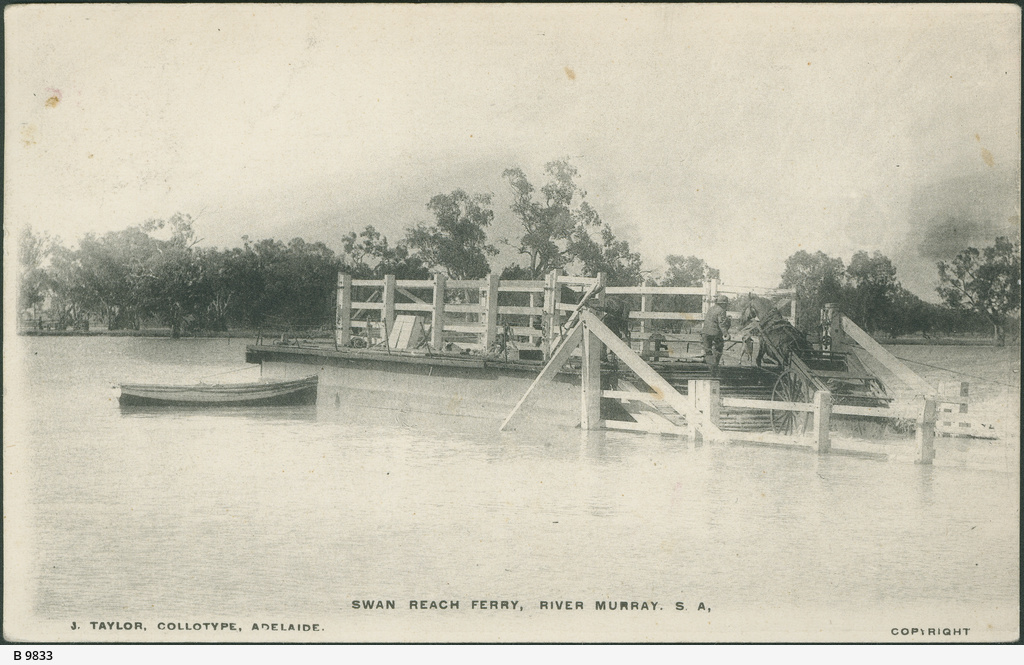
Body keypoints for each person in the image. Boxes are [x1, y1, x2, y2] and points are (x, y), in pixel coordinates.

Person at [702, 294, 731, 377]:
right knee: (719, 349)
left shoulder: (711, 309)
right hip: (715, 333)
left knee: (708, 351)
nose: (726, 305)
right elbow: (721, 323)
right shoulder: (721, 310)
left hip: (705, 333)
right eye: (726, 304)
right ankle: (714, 369)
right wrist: (726, 334)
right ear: (722, 303)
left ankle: (711, 368)